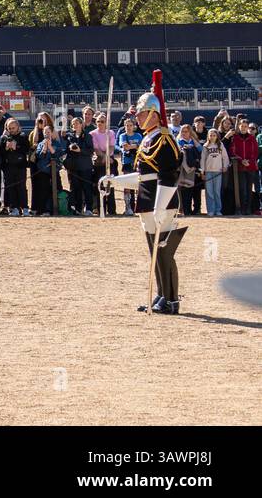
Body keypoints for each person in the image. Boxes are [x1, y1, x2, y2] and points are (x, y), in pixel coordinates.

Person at [100, 71, 186, 315]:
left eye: (141, 113)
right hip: (148, 200)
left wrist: (160, 207)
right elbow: (142, 178)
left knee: (164, 252)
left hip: (163, 201)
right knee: (154, 251)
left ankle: (171, 300)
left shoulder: (165, 140)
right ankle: (161, 295)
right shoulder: (149, 140)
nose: (137, 117)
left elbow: (169, 176)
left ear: (153, 114)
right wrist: (114, 180)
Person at [64, 117, 95, 215]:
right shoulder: (70, 137)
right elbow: (66, 151)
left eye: (77, 123)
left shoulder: (87, 136)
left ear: (82, 124)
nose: (75, 125)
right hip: (73, 167)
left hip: (85, 166)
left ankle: (89, 208)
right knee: (75, 188)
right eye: (73, 124)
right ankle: (78, 208)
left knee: (87, 187)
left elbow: (91, 151)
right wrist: (70, 148)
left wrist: (80, 150)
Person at [201, 128, 228, 217]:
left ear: (217, 136)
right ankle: (211, 210)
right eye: (211, 135)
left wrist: (225, 166)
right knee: (209, 192)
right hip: (208, 171)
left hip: (218, 171)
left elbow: (225, 157)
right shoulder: (205, 146)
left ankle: (218, 210)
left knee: (216, 191)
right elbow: (203, 159)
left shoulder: (220, 145)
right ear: (208, 136)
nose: (212, 137)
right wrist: (202, 171)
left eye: (214, 135)